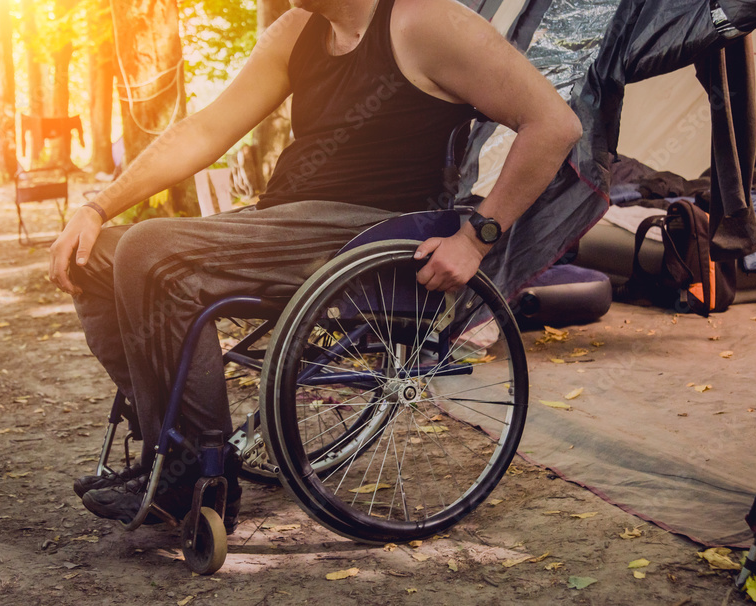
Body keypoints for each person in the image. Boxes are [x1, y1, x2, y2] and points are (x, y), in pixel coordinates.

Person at [49, 0, 582, 526]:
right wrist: (97, 208)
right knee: (92, 256)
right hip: (283, 223)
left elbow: (554, 124)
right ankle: (166, 455)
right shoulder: (297, 30)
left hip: (365, 234)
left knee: (149, 250)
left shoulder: (427, 21)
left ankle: (198, 480)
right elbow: (207, 130)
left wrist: (477, 237)